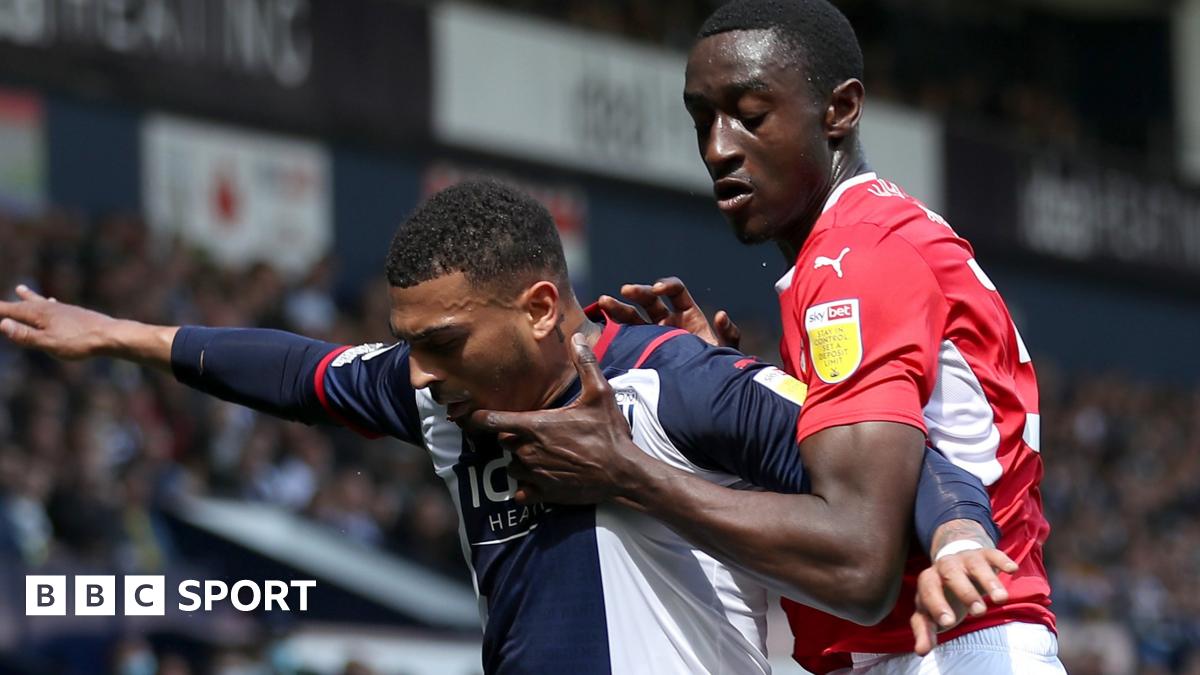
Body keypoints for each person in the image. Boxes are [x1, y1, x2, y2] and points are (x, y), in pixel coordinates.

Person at [0, 180, 1000, 674]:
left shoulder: (674, 380)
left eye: (440, 340)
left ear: (534, 309)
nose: (417, 370)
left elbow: (880, 452)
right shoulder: (436, 394)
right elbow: (296, 373)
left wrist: (957, 530)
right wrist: (121, 335)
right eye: (409, 345)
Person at [465, 1, 1064, 673]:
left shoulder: (852, 260)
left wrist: (626, 472)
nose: (719, 149)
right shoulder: (874, 239)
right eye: (702, 121)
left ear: (839, 110)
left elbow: (859, 558)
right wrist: (730, 379)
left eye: (750, 117)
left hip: (945, 651)